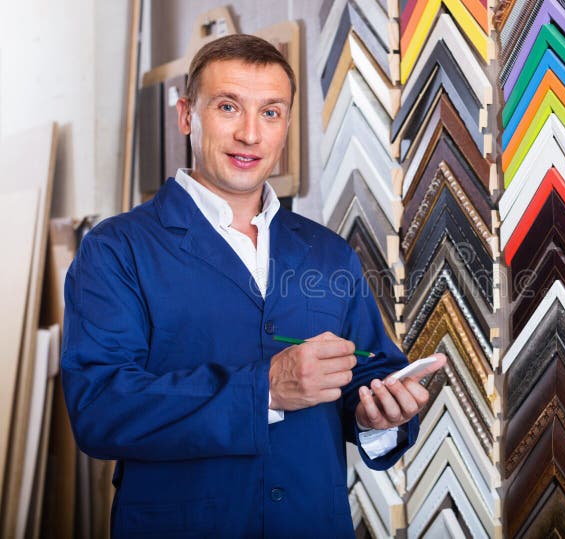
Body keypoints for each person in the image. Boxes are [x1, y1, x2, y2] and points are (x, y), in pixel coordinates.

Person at [61, 34, 445, 538]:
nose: (250, 134)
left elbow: (369, 374)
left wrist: (381, 418)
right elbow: (100, 408)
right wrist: (263, 389)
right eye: (227, 107)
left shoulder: (329, 254)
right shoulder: (116, 250)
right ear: (186, 116)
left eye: (271, 112)